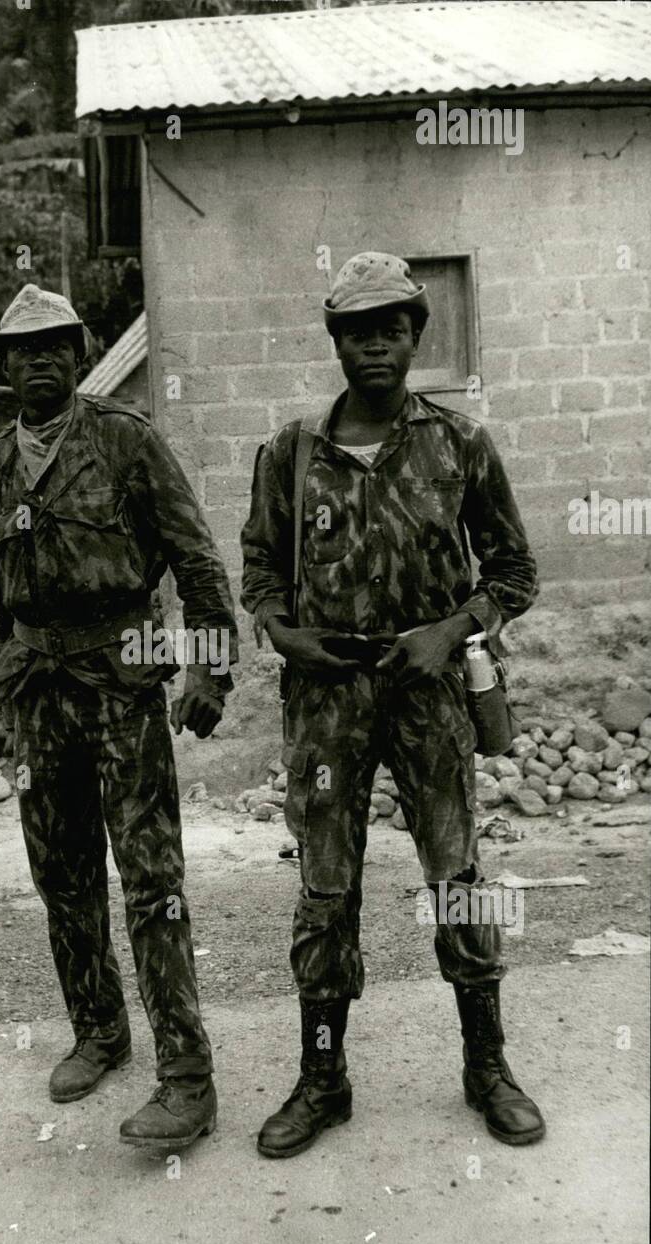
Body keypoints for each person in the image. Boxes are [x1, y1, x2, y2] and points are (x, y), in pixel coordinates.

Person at [241, 251, 544, 1158]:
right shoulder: (291, 451)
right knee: (325, 892)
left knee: (455, 879)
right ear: (337, 342)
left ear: (416, 336)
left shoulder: (459, 445)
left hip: (428, 694)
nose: (375, 346)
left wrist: (454, 631)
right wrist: (278, 631)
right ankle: (323, 1079)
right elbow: (259, 567)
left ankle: (487, 1068)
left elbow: (514, 571)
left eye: (391, 329)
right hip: (328, 699)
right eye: (357, 331)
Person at [0, 283, 237, 1149]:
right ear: (5, 364)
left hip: (123, 685)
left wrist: (212, 667)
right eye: (24, 349)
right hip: (37, 694)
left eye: (56, 344)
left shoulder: (126, 441)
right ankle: (98, 1031)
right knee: (61, 871)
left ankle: (187, 1078)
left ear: (80, 351)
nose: (41, 359)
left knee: (152, 877)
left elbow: (196, 559)